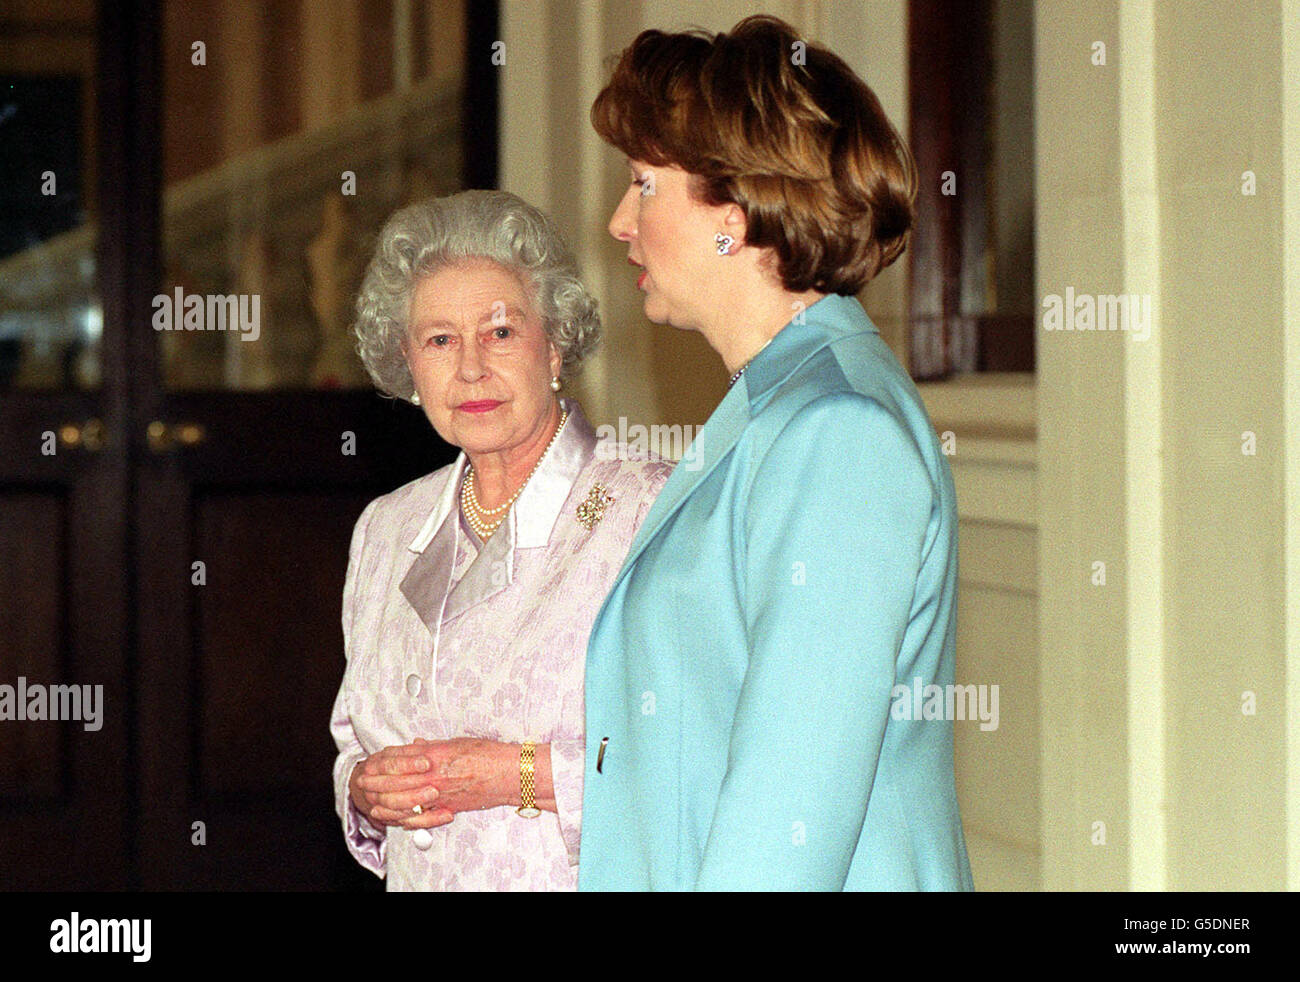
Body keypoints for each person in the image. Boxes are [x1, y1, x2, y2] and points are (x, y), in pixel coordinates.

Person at [578, 15, 975, 890]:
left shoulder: (838, 431)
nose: (618, 220)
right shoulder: (782, 407)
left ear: (737, 212)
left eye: (644, 184)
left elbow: (788, 828)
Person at [331, 189, 671, 890]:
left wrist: (516, 775)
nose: (471, 370)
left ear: (555, 344)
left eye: (501, 332)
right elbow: (352, 739)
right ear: (408, 362)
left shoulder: (645, 508)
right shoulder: (386, 527)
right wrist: (365, 789)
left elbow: (691, 757)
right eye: (440, 340)